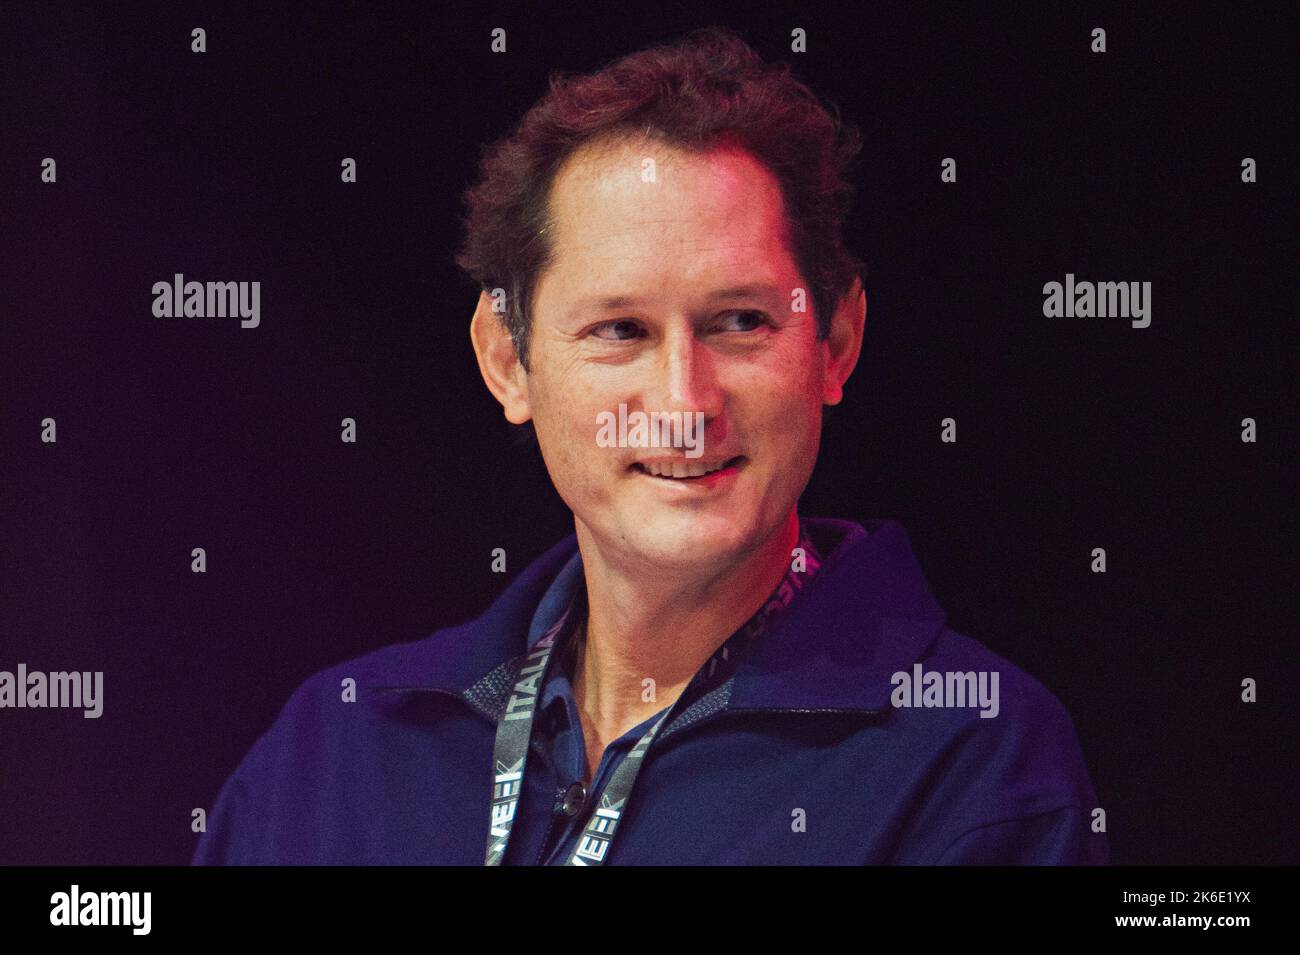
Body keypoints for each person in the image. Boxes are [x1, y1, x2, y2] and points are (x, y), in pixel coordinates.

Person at [193, 27, 1108, 866]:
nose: (684, 402)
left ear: (835, 341)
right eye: (620, 330)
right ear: (507, 359)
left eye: (741, 321)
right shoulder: (333, 754)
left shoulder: (975, 763)